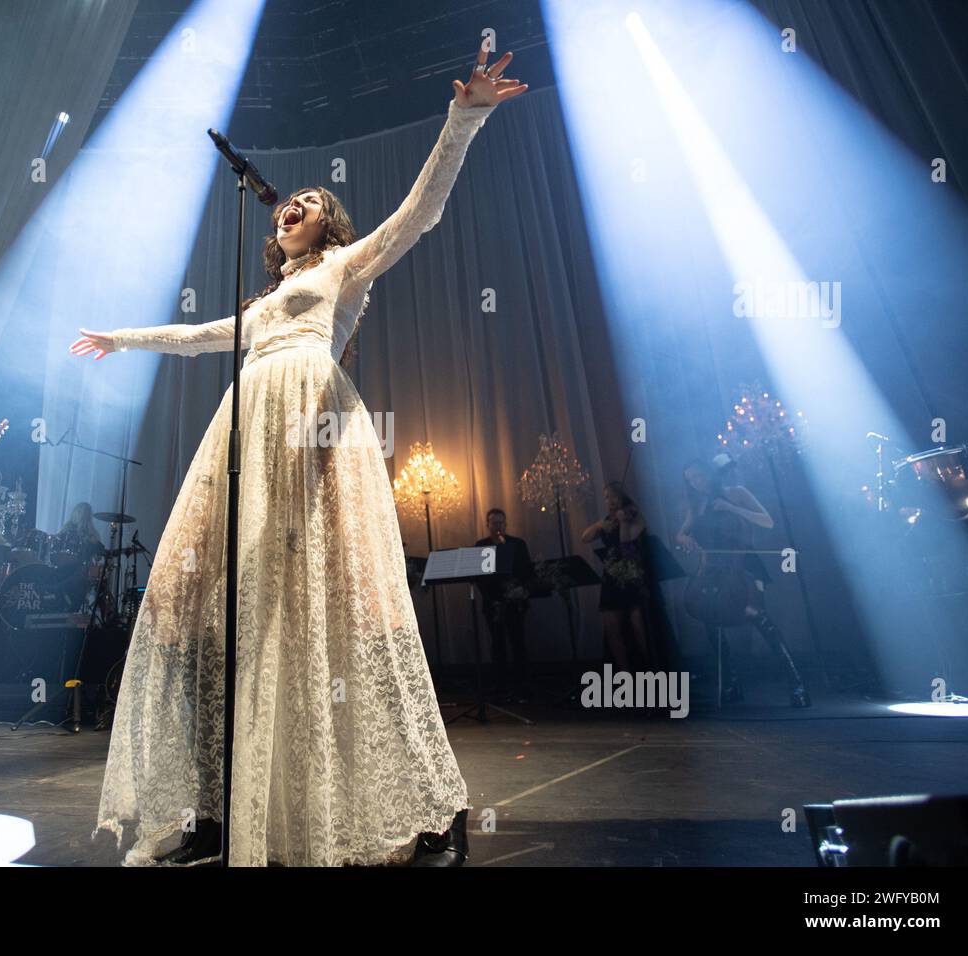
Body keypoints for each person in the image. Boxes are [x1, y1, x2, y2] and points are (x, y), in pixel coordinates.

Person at [72, 44, 526, 867]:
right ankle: (217, 809)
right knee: (204, 616)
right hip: (243, 428)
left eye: (314, 202)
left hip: (311, 428)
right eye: (297, 200)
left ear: (327, 226)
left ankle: (431, 809)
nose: (299, 204)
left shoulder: (347, 269)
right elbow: (197, 339)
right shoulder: (264, 303)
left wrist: (464, 117)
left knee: (339, 617)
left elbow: (420, 213)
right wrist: (121, 338)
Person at [677, 455, 810, 707]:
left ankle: (797, 683)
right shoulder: (697, 504)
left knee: (759, 618)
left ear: (709, 472)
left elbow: (767, 521)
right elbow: (682, 532)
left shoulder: (736, 493)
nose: (696, 483)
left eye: (698, 476)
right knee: (711, 622)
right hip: (710, 569)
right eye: (690, 480)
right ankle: (730, 683)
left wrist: (732, 508)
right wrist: (682, 537)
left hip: (744, 565)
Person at [581, 482, 651, 672]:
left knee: (639, 627)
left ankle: (649, 670)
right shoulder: (608, 519)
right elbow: (585, 538)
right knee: (612, 628)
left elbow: (625, 543)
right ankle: (624, 674)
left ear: (622, 497)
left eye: (613, 496)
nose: (609, 501)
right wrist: (599, 525)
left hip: (632, 574)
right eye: (606, 497)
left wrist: (623, 523)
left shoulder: (634, 515)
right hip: (612, 576)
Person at [474, 508, 534, 701]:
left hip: (515, 600)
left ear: (505, 524)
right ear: (487, 524)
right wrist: (493, 597)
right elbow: (479, 577)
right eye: (494, 522)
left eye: (501, 522)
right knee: (497, 643)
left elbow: (526, 572)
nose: (498, 526)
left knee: (518, 641)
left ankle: (522, 683)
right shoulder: (481, 546)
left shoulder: (517, 544)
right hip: (493, 602)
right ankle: (500, 683)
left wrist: (518, 591)